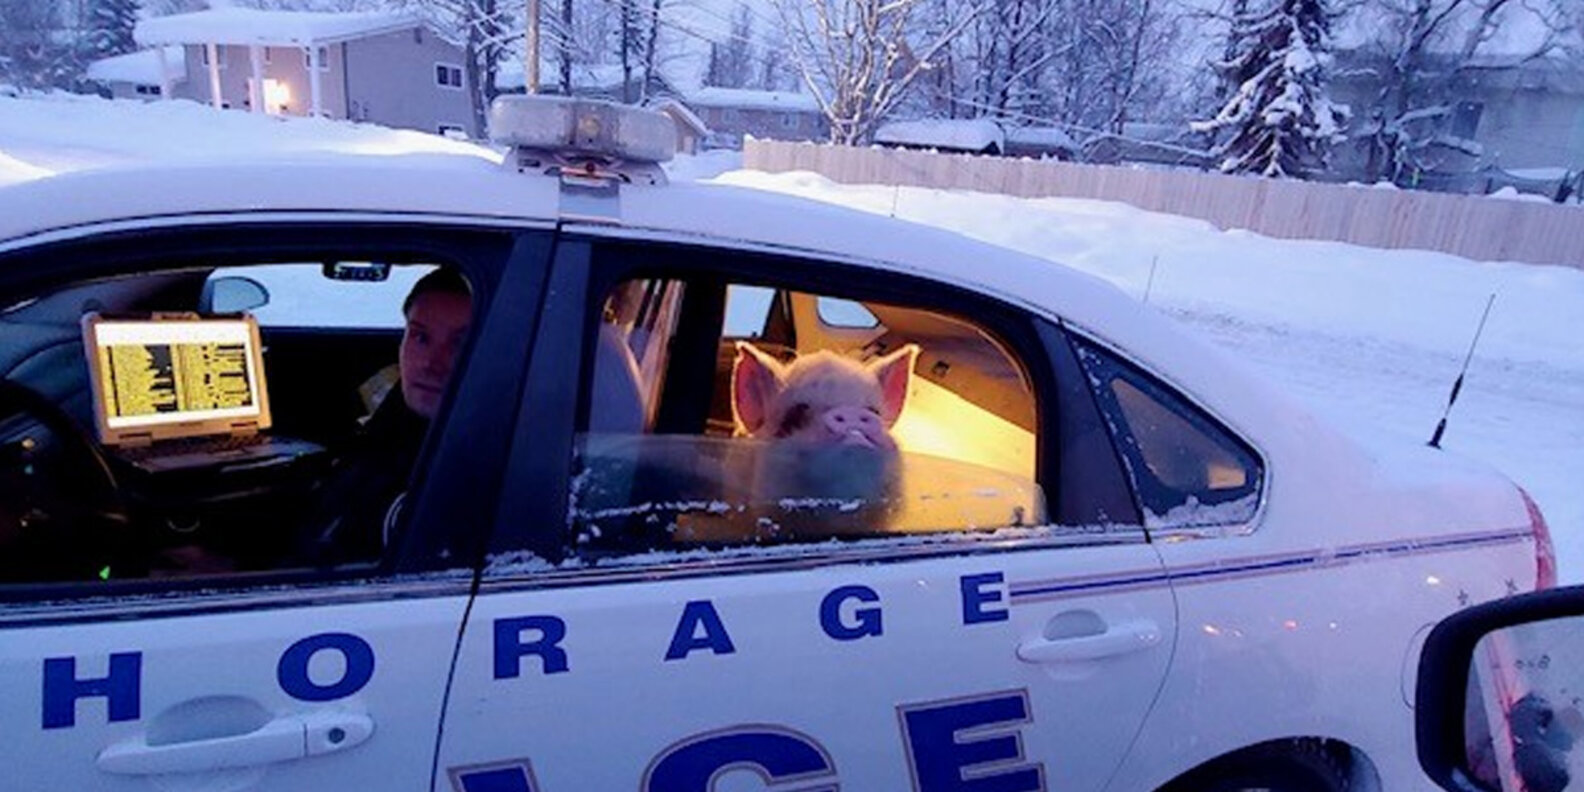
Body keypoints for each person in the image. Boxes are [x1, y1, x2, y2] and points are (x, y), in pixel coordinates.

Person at [302, 268, 472, 565]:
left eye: (459, 344)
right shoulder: (396, 427)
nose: (432, 364)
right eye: (420, 337)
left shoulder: (473, 469)